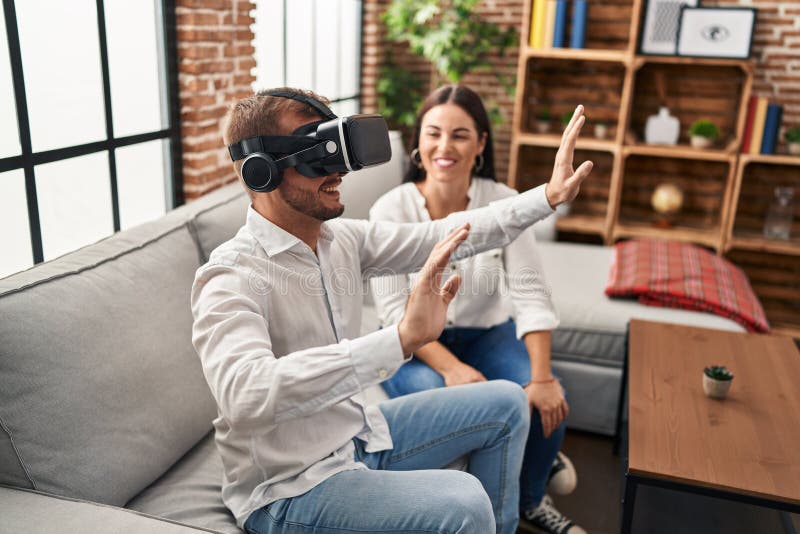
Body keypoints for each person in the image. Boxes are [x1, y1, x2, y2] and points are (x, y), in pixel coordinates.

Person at [190, 87, 592, 534]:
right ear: (261, 171)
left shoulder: (340, 240)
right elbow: (246, 396)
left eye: (337, 152)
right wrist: (401, 338)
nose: (339, 171)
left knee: (508, 402)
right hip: (289, 489)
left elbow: (445, 232)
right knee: (463, 501)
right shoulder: (229, 276)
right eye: (317, 156)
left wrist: (547, 197)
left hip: (357, 441)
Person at [370, 84, 584, 534]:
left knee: (548, 398)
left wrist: (541, 380)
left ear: (481, 144)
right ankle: (481, 517)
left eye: (460, 135)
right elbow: (393, 313)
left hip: (488, 334)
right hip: (415, 344)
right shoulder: (390, 209)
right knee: (444, 405)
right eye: (433, 133)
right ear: (418, 144)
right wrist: (450, 369)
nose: (444, 147)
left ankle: (529, 499)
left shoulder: (505, 201)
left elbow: (529, 293)